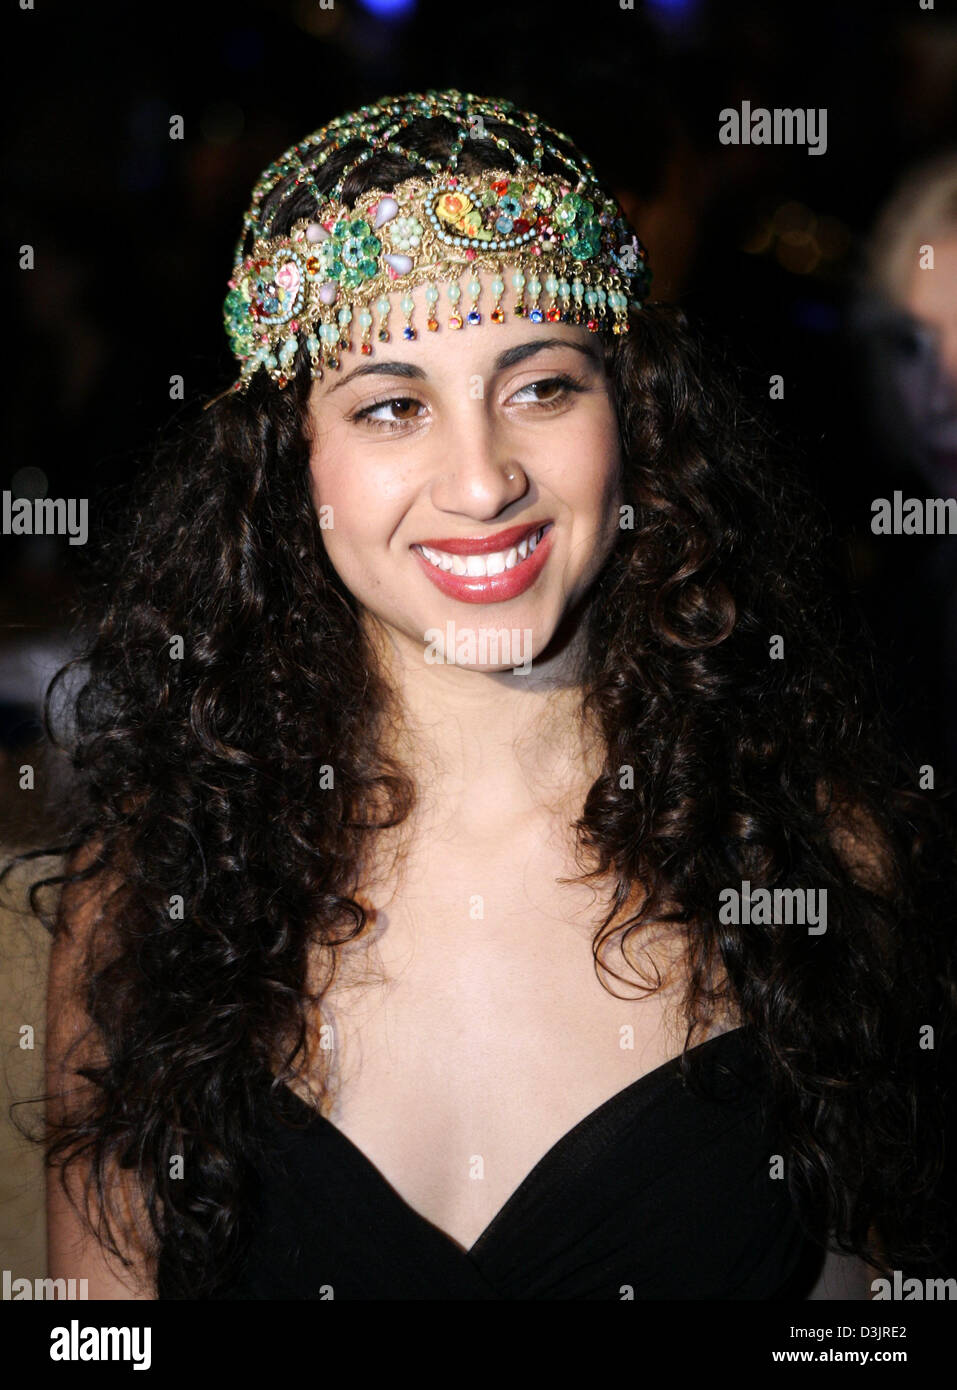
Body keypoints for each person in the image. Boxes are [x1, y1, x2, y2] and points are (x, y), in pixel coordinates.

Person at [6, 89, 954, 1301]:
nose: (483, 477)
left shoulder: (812, 854)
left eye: (541, 386)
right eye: (394, 406)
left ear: (635, 419)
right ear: (287, 470)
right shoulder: (153, 893)